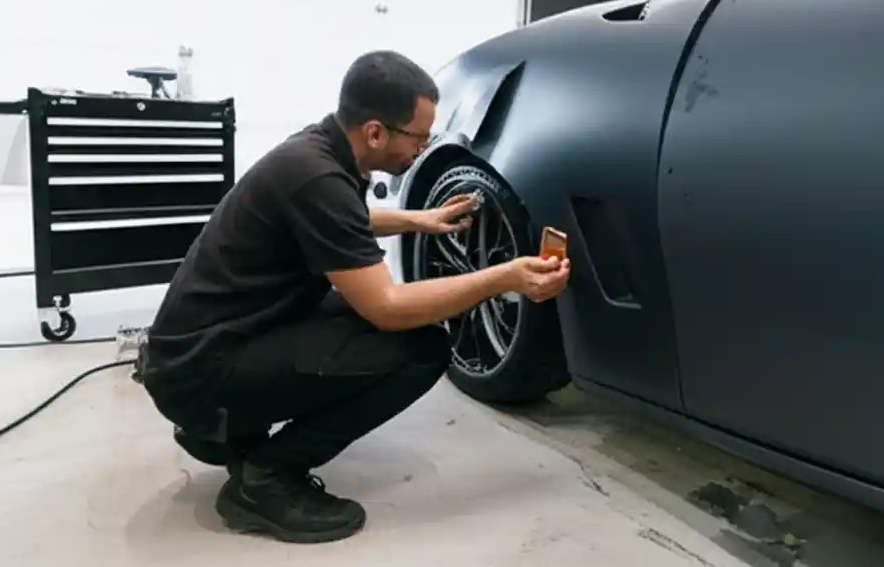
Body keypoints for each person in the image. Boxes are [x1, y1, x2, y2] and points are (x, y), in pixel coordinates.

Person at [136, 50, 571, 544]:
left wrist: (416, 220)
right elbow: (385, 308)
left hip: (200, 347)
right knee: (420, 348)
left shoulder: (317, 152)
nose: (423, 148)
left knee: (357, 314)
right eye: (419, 136)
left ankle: (229, 426)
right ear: (375, 133)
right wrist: (502, 278)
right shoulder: (318, 177)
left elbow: (341, 218)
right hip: (198, 373)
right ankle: (266, 477)